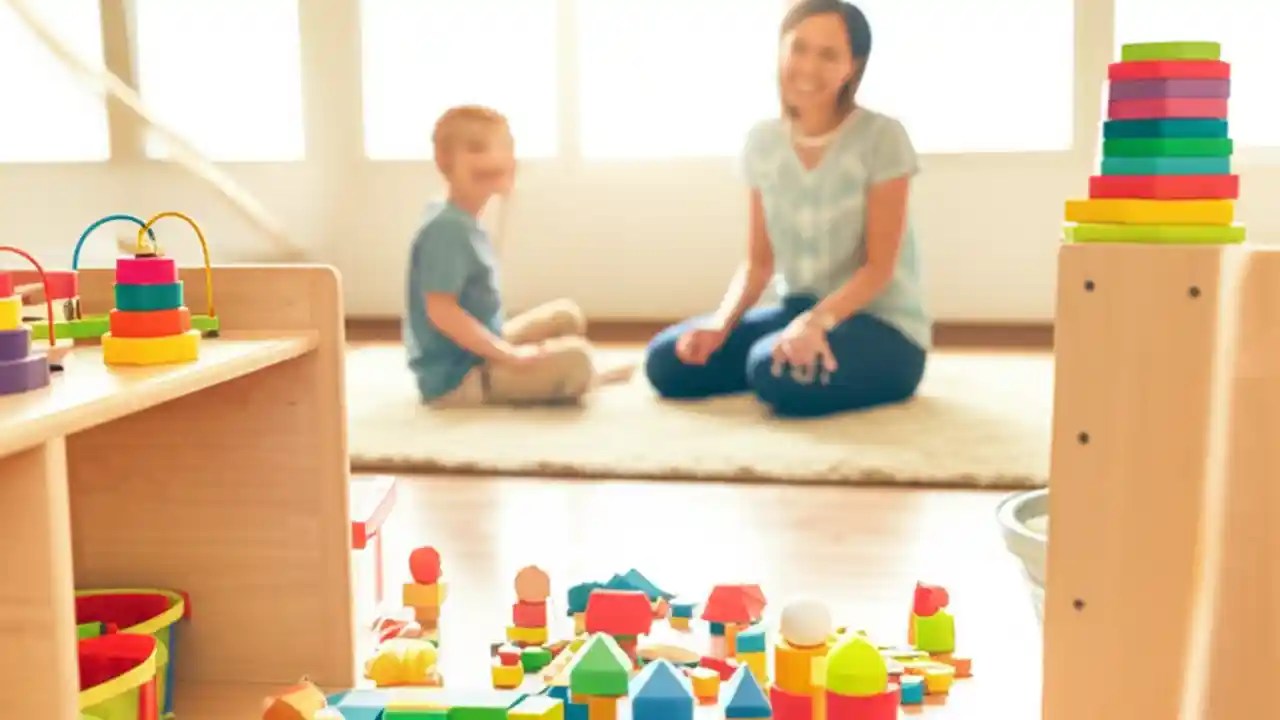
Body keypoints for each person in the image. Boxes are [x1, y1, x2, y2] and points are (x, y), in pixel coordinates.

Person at [644, 0, 931, 418]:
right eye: (799, 48)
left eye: (828, 54)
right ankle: (781, 358)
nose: (808, 66)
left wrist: (815, 324)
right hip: (796, 309)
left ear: (853, 66)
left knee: (770, 369)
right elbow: (758, 263)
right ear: (781, 50)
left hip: (883, 326)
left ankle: (793, 362)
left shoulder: (882, 137)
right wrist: (720, 324)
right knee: (668, 360)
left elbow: (879, 268)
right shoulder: (762, 142)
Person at [403, 105, 597, 407]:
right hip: (458, 378)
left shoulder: (464, 219)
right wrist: (509, 355)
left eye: (504, 148)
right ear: (444, 161)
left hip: (481, 349)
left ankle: (521, 368)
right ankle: (507, 379)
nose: (495, 157)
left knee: (566, 315)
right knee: (578, 361)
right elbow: (442, 311)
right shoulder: (447, 229)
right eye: (477, 149)